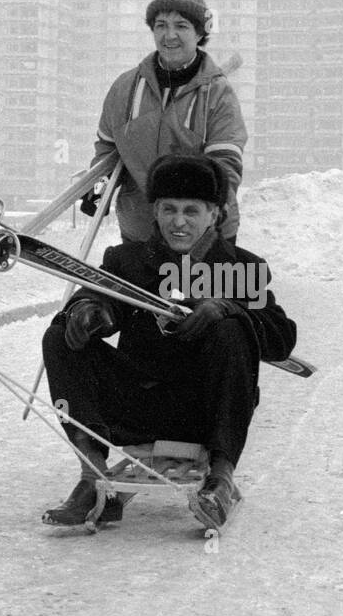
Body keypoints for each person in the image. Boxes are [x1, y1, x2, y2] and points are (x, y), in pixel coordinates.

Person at [41, 154, 297, 530]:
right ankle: (93, 477)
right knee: (60, 336)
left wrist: (228, 309)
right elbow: (96, 297)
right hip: (138, 405)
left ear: (215, 214)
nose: (179, 222)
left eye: (192, 211)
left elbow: (282, 337)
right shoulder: (126, 262)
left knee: (233, 328)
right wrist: (88, 310)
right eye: (169, 209)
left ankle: (221, 478)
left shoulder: (241, 268)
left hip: (204, 413)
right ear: (155, 212)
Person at [85, 0, 248, 245]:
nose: (169, 35)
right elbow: (108, 149)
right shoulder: (125, 88)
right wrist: (98, 190)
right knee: (133, 289)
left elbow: (225, 166)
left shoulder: (218, 94)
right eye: (161, 25)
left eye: (181, 26)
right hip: (141, 231)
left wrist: (216, 211)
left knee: (199, 288)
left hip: (202, 235)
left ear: (199, 34)